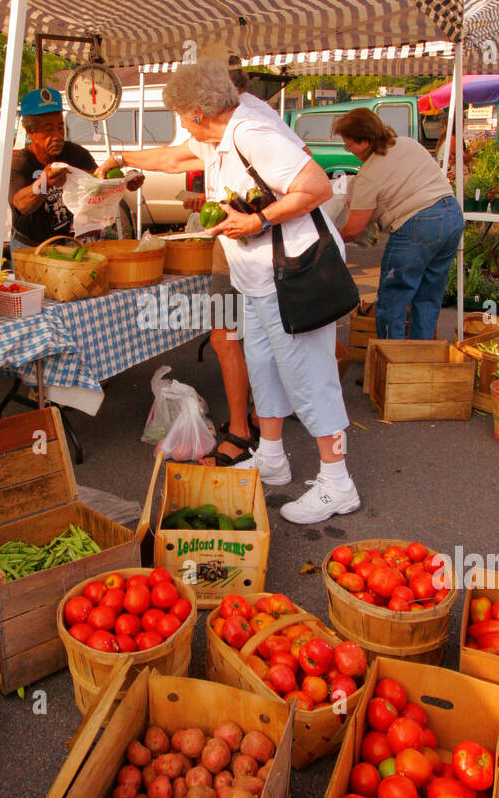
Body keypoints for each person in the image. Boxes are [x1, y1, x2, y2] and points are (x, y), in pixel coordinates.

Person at [98, 58, 360, 524]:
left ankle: (338, 483)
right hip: (256, 278)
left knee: (309, 377)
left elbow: (315, 186)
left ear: (197, 111)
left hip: (293, 275)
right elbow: (175, 157)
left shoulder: (250, 131)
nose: (182, 127)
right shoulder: (218, 134)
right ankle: (273, 460)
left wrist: (257, 220)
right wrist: (123, 158)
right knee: (263, 367)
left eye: (181, 117)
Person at [337, 107, 464, 340]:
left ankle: (390, 362)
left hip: (417, 224)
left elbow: (354, 228)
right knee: (428, 296)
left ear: (364, 140)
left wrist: (331, 240)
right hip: (451, 215)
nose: (350, 151)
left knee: (392, 300)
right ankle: (417, 360)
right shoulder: (407, 143)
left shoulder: (369, 173)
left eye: (349, 145)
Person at [8, 87, 98, 248]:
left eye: (60, 128)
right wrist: (45, 181)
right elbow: (22, 205)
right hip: (31, 248)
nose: (57, 136)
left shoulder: (75, 154)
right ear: (30, 132)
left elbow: (99, 179)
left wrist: (124, 180)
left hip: (67, 243)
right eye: (49, 130)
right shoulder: (19, 163)